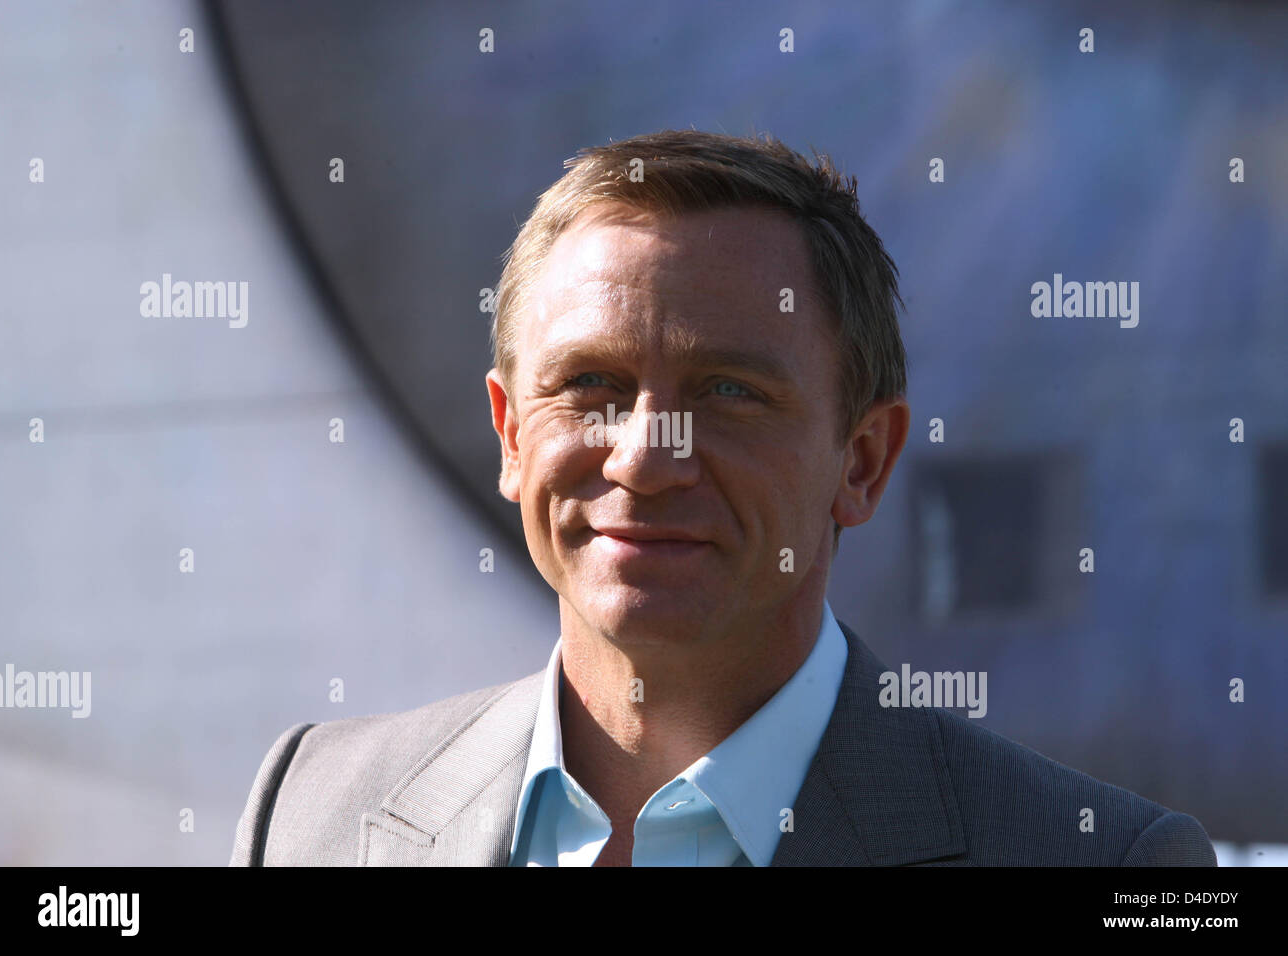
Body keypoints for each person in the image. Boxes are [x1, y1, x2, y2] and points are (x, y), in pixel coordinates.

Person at [230, 129, 1216, 866]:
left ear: (862, 460)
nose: (647, 461)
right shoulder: (309, 812)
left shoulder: (1101, 859)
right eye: (589, 386)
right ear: (510, 434)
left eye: (728, 392)